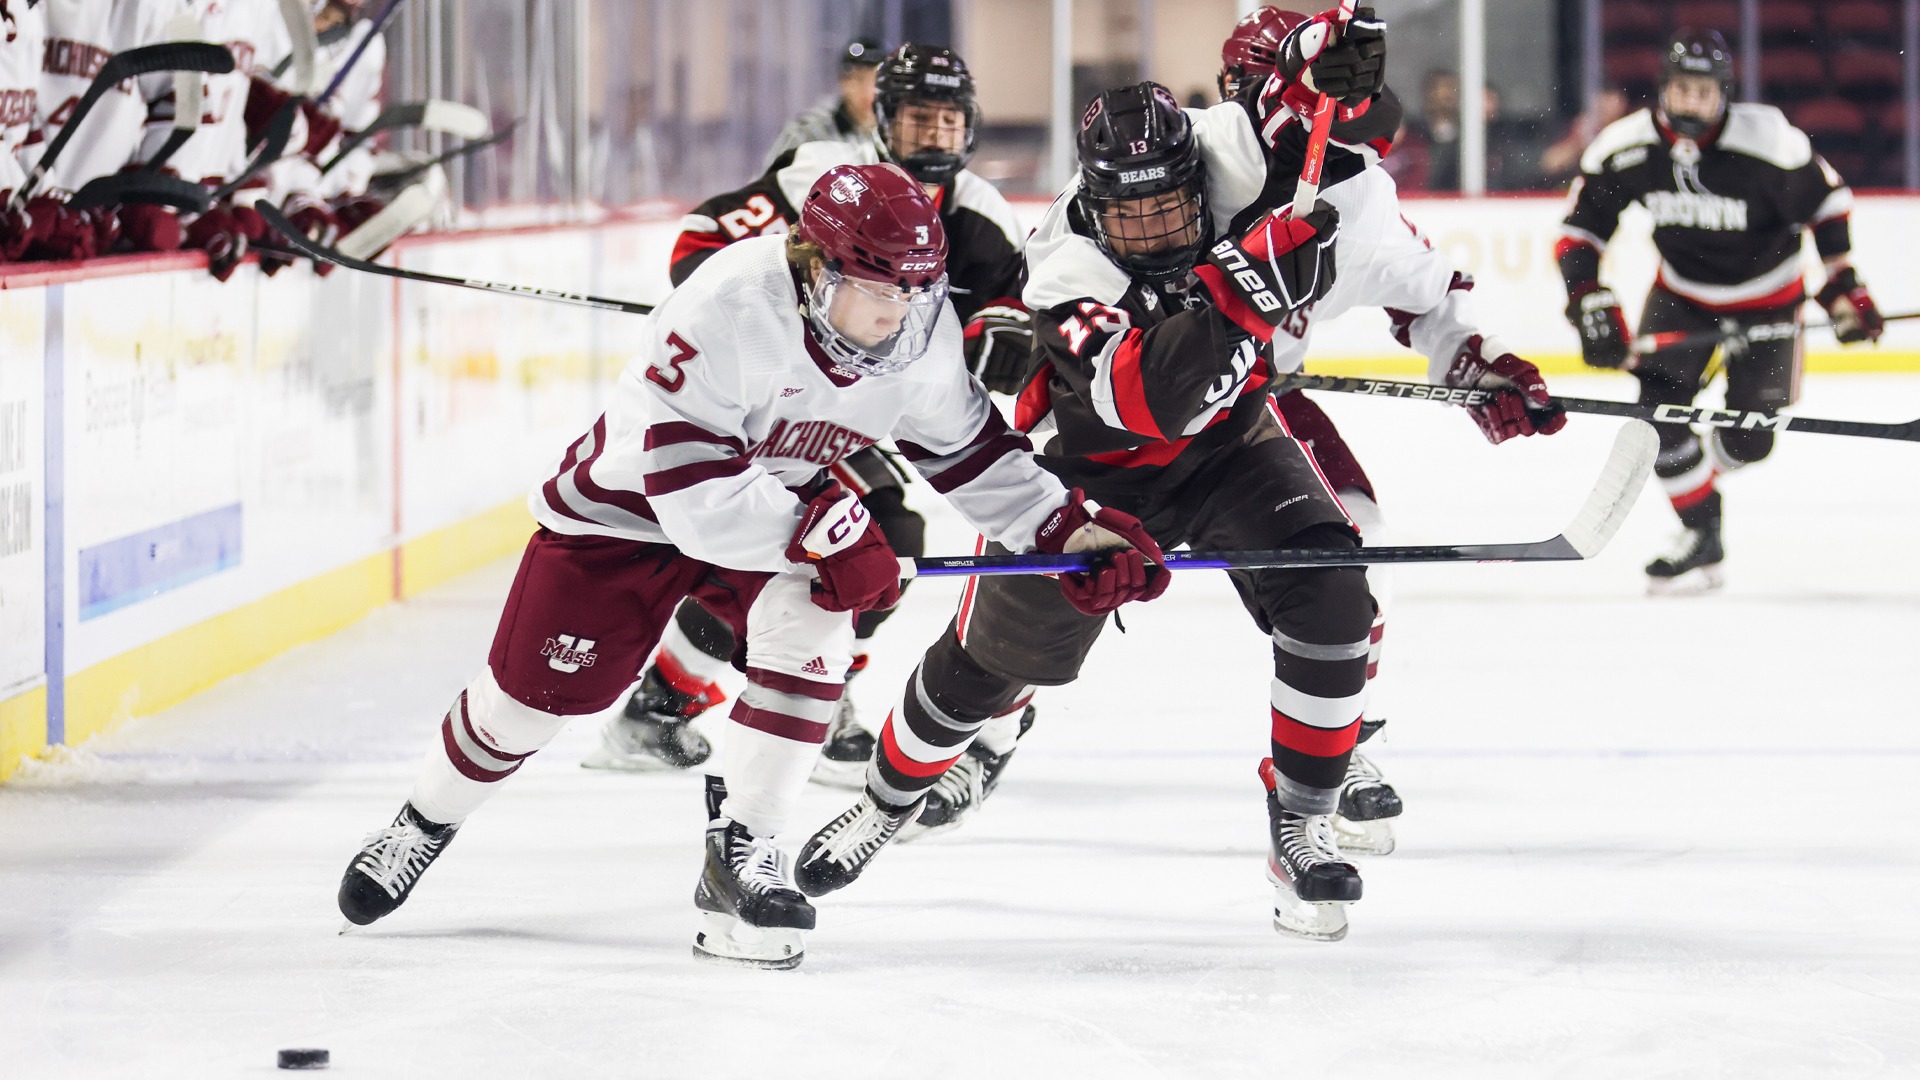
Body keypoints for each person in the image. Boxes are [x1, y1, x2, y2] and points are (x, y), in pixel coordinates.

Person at [333, 162, 1168, 969]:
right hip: (627, 514)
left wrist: (1065, 530)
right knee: (529, 705)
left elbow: (971, 451)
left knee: (815, 632)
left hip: (776, 511)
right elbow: (691, 492)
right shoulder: (729, 305)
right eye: (880, 291)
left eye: (918, 291)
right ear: (815, 270)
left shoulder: (918, 327)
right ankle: (423, 821)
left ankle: (744, 852)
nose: (901, 315)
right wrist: (830, 533)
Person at [591, 44, 1034, 791]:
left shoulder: (983, 216)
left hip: (861, 409)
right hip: (770, 404)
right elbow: (701, 243)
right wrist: (742, 316)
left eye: (949, 120)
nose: (934, 135)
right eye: (919, 117)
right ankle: (787, 696)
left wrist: (1003, 333)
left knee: (874, 537)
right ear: (883, 117)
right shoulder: (821, 173)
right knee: (846, 537)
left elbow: (1010, 308)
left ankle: (664, 702)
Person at [1558, 29, 1880, 594]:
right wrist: (1588, 297)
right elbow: (1580, 231)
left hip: (1771, 299)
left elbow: (1827, 205)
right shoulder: (1626, 146)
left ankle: (1696, 479)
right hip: (1682, 295)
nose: (1693, 103)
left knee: (1751, 438)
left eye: (1705, 92)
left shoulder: (1769, 144)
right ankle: (1701, 530)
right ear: (1663, 89)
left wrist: (1842, 287)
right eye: (1682, 89)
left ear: (1725, 94)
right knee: (1658, 421)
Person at [762, 38, 883, 170]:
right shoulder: (808, 132)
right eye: (859, 80)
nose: (868, 91)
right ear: (842, 82)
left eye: (876, 81)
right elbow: (768, 184)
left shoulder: (888, 136)